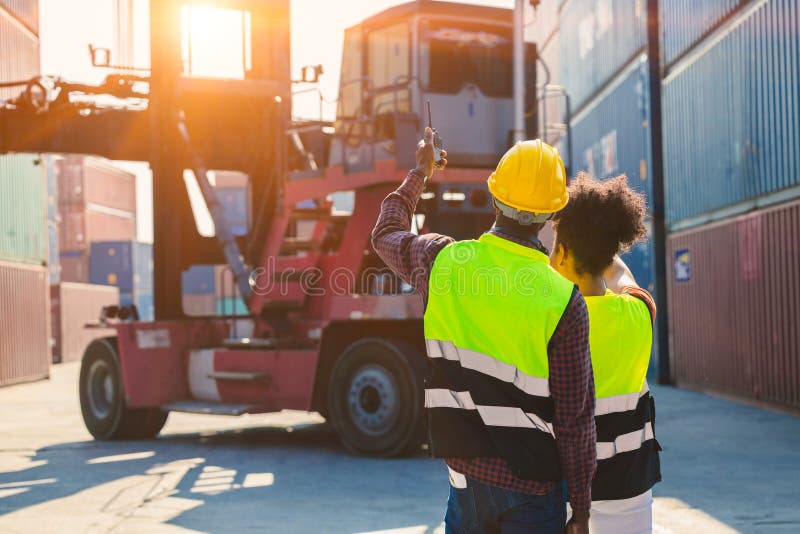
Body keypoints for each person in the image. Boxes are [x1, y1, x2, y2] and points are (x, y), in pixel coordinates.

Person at [372, 128, 596, 534]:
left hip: (466, 481)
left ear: (494, 197)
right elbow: (574, 421)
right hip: (535, 490)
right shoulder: (564, 301)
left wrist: (420, 172)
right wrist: (580, 510)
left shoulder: (442, 261)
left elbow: (386, 233)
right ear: (552, 215)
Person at [549, 174, 662, 533]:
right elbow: (624, 277)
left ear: (563, 253)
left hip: (570, 492)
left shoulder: (554, 323)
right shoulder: (640, 313)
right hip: (631, 486)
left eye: (554, 247)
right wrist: (600, 247)